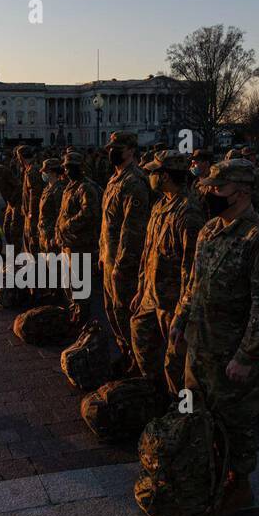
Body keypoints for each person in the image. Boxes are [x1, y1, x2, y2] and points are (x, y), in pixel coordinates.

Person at [169, 158, 259, 513]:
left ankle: (240, 482)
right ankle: (210, 469)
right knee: (196, 411)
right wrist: (179, 319)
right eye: (209, 187)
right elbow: (194, 283)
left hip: (230, 353)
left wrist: (247, 356)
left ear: (242, 191)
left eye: (218, 188)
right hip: (199, 345)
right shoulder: (210, 230)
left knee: (235, 422)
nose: (210, 193)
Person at [131, 150, 205, 394]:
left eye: (154, 172)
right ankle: (154, 390)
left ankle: (182, 406)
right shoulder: (161, 204)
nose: (149, 176)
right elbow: (148, 250)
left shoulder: (188, 212)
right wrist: (142, 288)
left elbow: (192, 269)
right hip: (152, 294)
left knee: (176, 362)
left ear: (165, 176)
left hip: (174, 301)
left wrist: (182, 314)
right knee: (140, 333)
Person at [100, 131, 152, 373]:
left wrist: (122, 265)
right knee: (111, 310)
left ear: (131, 149)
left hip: (123, 263)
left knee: (126, 314)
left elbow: (133, 231)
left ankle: (137, 361)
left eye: (117, 147)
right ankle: (125, 352)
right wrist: (102, 254)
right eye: (111, 147)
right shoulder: (115, 179)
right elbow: (107, 223)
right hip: (109, 258)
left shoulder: (134, 182)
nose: (112, 151)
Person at [54, 152, 103, 325]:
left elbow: (89, 213)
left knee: (80, 284)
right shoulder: (70, 186)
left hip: (81, 244)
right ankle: (75, 312)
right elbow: (63, 213)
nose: (67, 171)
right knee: (69, 282)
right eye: (66, 167)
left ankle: (83, 319)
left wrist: (67, 225)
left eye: (70, 168)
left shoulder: (86, 187)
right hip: (68, 243)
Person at [37, 158, 67, 253]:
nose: (44, 174)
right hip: (44, 233)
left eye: (46, 172)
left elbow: (60, 215)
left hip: (52, 236)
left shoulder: (59, 190)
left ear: (54, 173)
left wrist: (55, 236)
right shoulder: (47, 188)